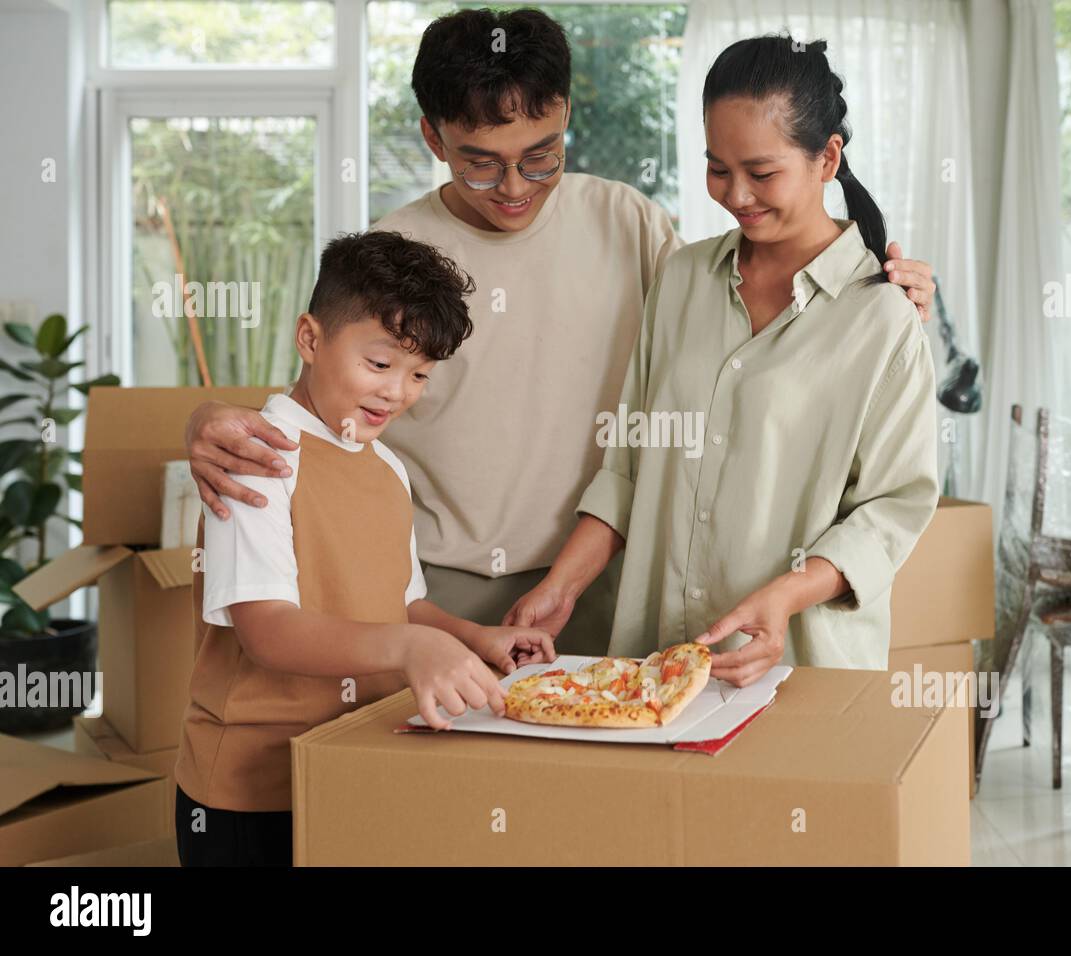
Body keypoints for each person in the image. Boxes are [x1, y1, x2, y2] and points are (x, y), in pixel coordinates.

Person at [182, 9, 939, 658]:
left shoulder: (636, 229)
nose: (514, 188)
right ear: (433, 138)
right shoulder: (396, 247)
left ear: (568, 116)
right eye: (481, 164)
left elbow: (722, 384)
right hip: (428, 590)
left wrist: (878, 291)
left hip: (604, 586)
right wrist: (209, 419)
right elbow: (328, 397)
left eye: (540, 156)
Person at [505, 36, 940, 686]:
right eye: (717, 167)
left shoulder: (881, 317)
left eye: (762, 173)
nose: (736, 194)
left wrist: (786, 596)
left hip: (800, 671)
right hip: (654, 665)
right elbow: (628, 465)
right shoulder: (681, 280)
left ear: (827, 158)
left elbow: (890, 512)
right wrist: (561, 588)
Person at [173, 231, 554, 866]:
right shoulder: (255, 456)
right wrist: (411, 648)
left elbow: (403, 607)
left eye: (419, 375)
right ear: (311, 339)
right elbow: (266, 631)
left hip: (358, 763)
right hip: (251, 795)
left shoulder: (387, 470)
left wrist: (469, 638)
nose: (396, 392)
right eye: (379, 365)